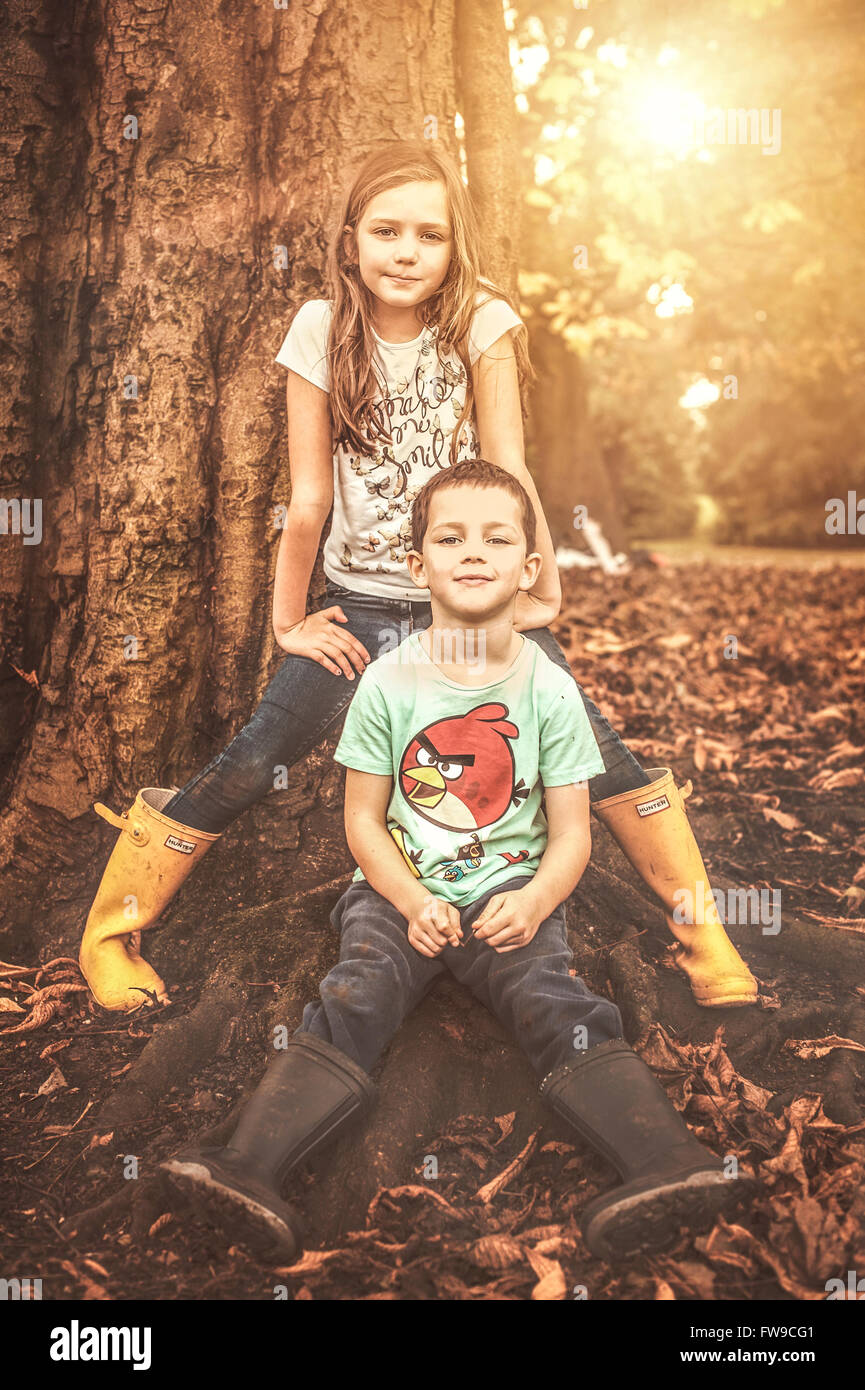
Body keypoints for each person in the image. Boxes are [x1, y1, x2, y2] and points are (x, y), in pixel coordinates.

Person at [78, 138, 756, 1015]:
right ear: (351, 239)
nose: (407, 252)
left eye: (429, 236)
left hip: (474, 606)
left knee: (600, 758)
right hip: (359, 611)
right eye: (388, 231)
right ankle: (109, 935)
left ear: (453, 247)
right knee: (257, 755)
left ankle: (705, 934)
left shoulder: (481, 321)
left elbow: (509, 466)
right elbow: (309, 496)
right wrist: (291, 623)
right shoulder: (320, 328)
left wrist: (539, 578)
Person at [160, 462, 752, 1263]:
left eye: (496, 538)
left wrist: (538, 901)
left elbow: (573, 834)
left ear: (529, 568)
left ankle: (666, 1162)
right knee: (355, 990)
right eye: (450, 537)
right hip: (398, 896)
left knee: (556, 1001)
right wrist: (406, 900)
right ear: (417, 566)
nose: (473, 553)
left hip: (513, 895)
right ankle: (247, 1168)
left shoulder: (549, 690)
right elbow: (363, 824)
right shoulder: (386, 683)